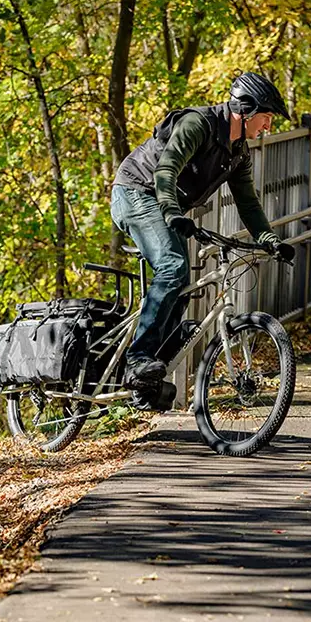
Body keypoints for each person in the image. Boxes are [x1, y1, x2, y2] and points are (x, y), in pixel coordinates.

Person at [110, 71, 297, 410]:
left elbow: (248, 202)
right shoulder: (199, 124)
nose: (268, 128)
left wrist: (269, 239)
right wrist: (170, 210)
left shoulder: (238, 151)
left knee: (183, 284)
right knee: (173, 268)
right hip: (137, 191)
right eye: (267, 118)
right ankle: (137, 359)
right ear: (248, 108)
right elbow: (165, 170)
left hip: (167, 205)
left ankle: (147, 381)